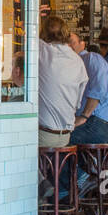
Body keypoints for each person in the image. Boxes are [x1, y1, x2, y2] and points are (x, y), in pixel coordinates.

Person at [37, 15, 87, 148]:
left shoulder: (43, 52)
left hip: (44, 135)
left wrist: (34, 15)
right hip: (66, 136)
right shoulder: (77, 60)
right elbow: (78, 102)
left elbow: (31, 37)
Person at [68, 29, 108, 147]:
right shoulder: (71, 64)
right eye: (65, 43)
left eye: (71, 42)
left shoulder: (91, 58)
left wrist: (84, 116)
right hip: (90, 121)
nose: (68, 46)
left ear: (82, 44)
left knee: (60, 139)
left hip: (98, 123)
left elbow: (98, 90)